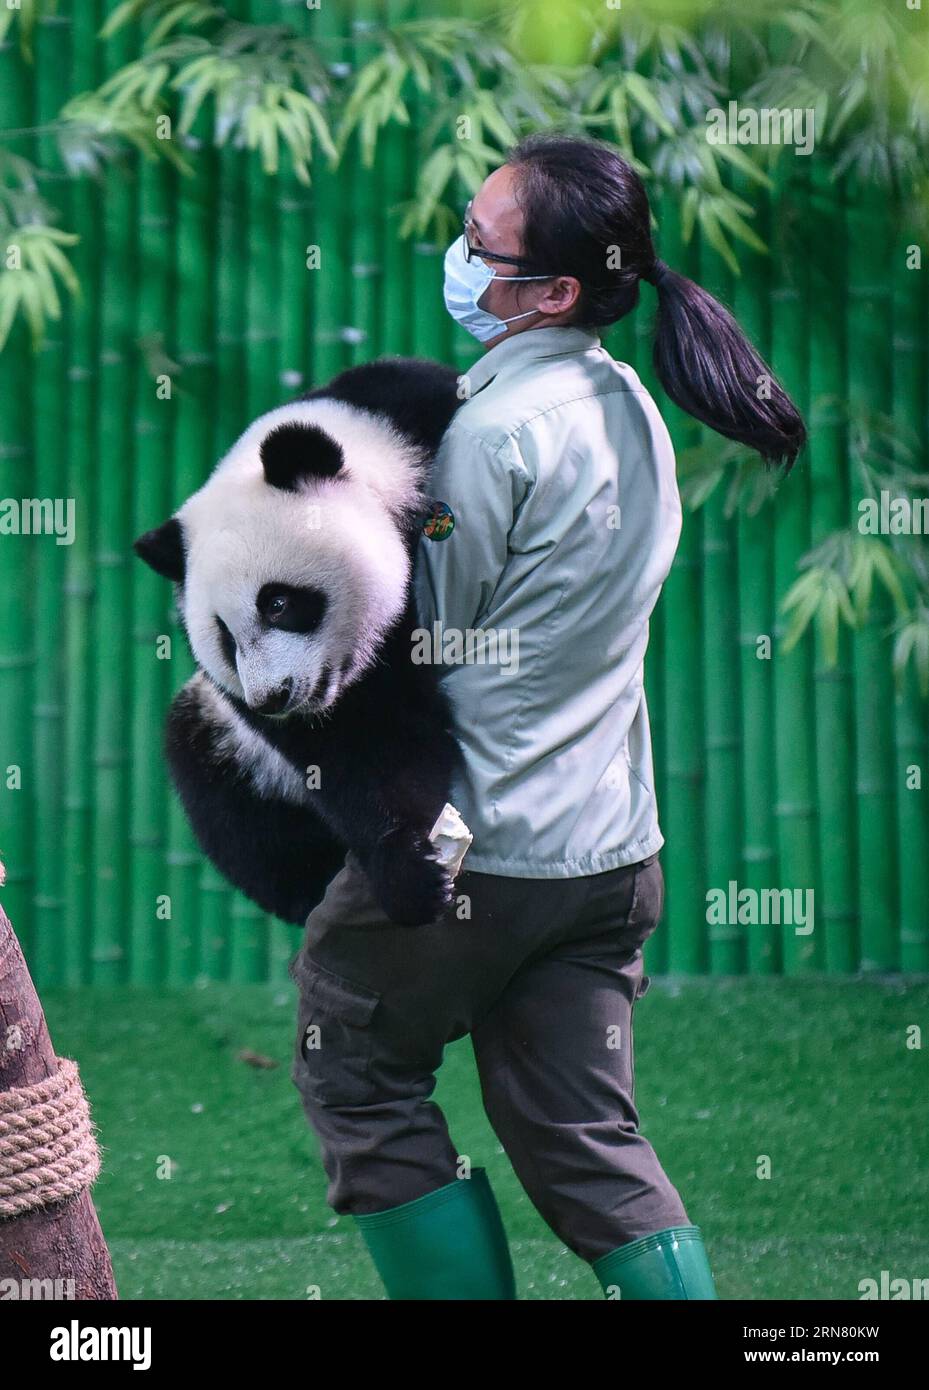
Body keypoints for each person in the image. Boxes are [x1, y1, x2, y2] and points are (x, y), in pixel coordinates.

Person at [289, 132, 805, 1300]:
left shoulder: (489, 434)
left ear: (555, 289)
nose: (457, 254)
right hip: (609, 852)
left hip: (478, 846)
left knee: (356, 1057)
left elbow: (423, 639)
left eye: (480, 241)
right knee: (585, 1138)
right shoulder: (632, 410)